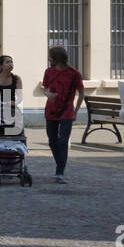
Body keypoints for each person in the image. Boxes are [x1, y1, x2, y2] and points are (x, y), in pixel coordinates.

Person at [42, 46, 84, 184]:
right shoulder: (49, 71)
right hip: (50, 111)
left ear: (56, 58)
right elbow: (45, 89)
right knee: (52, 140)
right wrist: (49, 94)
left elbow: (81, 92)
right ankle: (60, 164)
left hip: (67, 111)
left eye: (50, 56)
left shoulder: (74, 73)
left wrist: (76, 111)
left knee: (63, 141)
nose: (48, 59)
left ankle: (60, 170)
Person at [0, 55, 23, 132]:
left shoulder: (17, 78)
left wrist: (15, 102)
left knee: (14, 128)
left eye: (11, 62)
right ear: (0, 66)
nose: (11, 64)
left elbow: (20, 97)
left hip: (11, 108)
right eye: (7, 62)